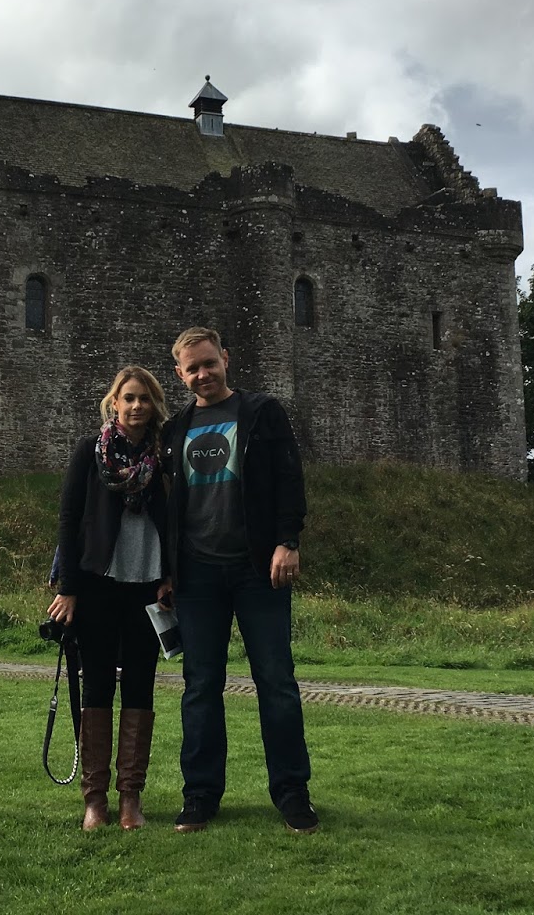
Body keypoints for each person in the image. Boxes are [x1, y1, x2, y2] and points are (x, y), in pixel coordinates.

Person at [161, 326, 317, 833]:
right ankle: (200, 796)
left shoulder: (261, 412)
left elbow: (289, 478)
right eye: (192, 368)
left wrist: (287, 541)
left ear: (225, 358)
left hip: (257, 569)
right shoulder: (174, 429)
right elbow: (166, 505)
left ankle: (292, 793)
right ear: (180, 374)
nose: (202, 374)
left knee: (276, 682)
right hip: (197, 574)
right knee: (199, 686)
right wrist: (166, 572)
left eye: (209, 363)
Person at [48, 366, 173, 830]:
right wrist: (70, 589)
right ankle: (94, 801)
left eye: (145, 398)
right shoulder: (90, 452)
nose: (137, 406)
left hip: (146, 586)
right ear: (114, 403)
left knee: (140, 688)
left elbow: (177, 519)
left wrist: (171, 576)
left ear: (154, 404)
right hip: (98, 583)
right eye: (129, 398)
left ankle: (130, 800)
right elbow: (68, 519)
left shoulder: (164, 457)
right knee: (97, 687)